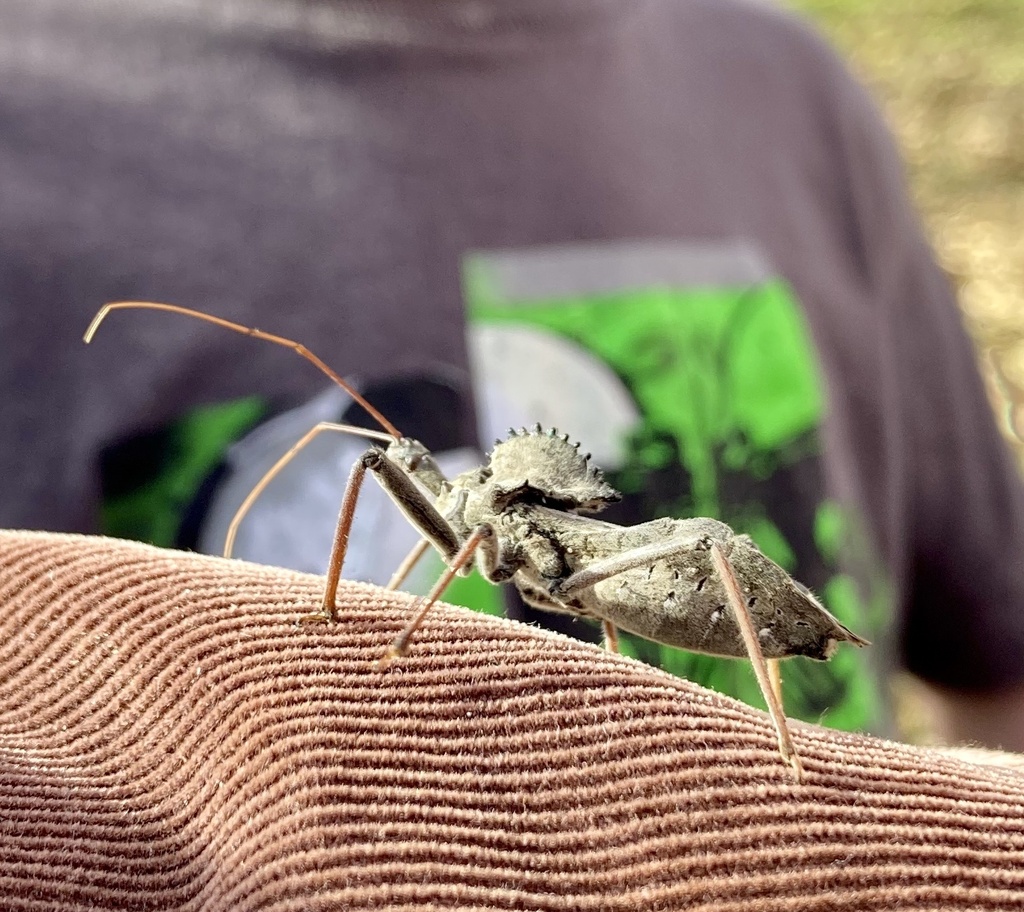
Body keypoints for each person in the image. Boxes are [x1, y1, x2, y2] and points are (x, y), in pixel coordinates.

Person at [2, 0, 1022, 744]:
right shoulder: (31, 119)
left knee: (705, 536)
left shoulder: (790, 87)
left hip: (685, 614)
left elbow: (999, 650)